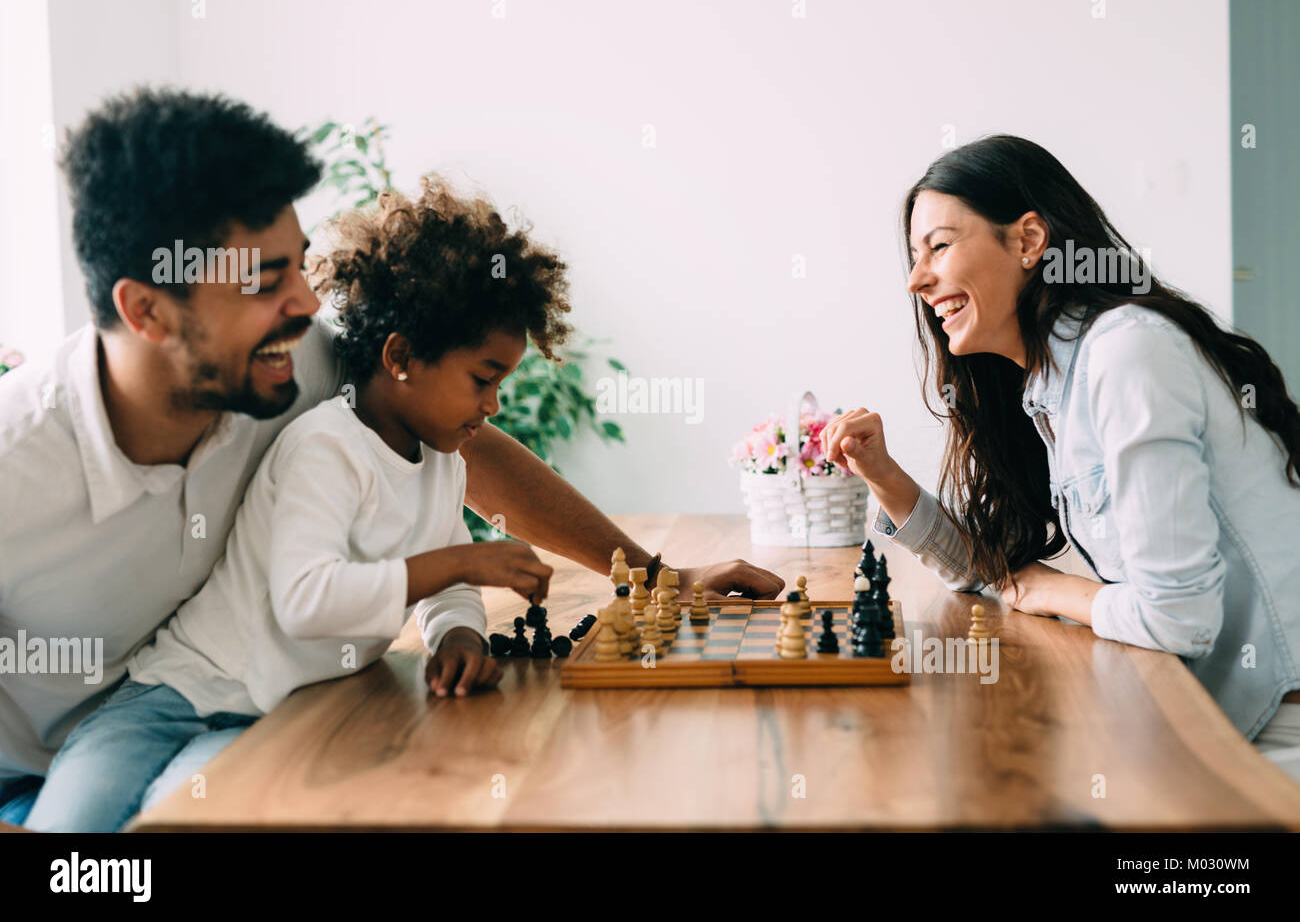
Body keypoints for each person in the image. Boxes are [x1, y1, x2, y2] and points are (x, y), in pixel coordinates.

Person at [0, 88, 783, 827]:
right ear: (147, 310)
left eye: (300, 266)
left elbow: (465, 459)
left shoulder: (290, 361)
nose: (307, 305)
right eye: (268, 282)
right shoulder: (16, 460)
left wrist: (653, 578)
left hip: (226, 720)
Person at [24, 177, 569, 832]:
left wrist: (458, 631)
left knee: (183, 817)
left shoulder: (441, 462)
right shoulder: (326, 446)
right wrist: (465, 561)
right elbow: (307, 599)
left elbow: (441, 572)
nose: (494, 406)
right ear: (400, 357)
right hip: (171, 697)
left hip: (271, 711)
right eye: (483, 380)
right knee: (67, 833)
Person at [821, 134, 1300, 772]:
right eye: (914, 255)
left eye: (939, 246)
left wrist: (1054, 591)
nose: (916, 279)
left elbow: (1175, 617)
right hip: (1206, 717)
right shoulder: (1049, 384)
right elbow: (999, 571)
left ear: (1027, 241)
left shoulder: (1126, 354)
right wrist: (881, 475)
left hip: (1275, 728)